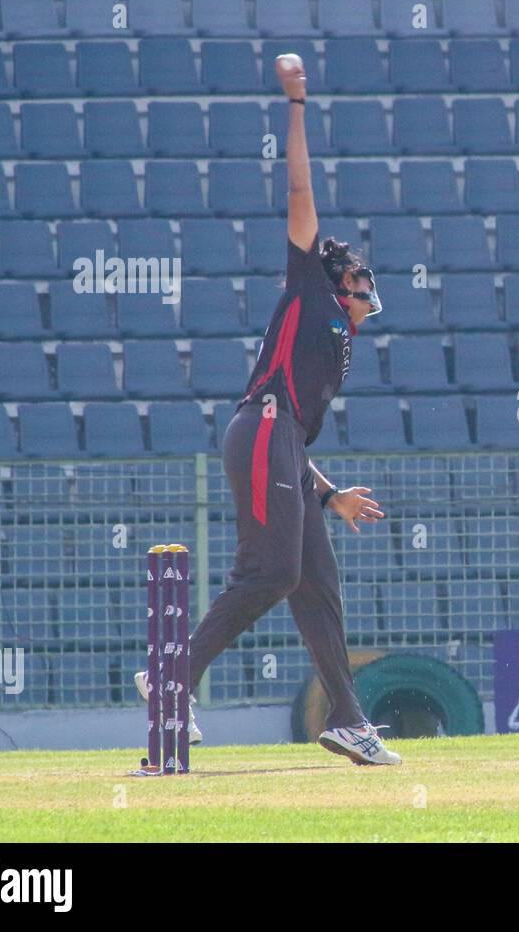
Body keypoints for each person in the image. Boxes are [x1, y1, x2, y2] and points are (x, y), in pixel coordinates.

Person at [135, 54, 400, 766]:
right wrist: (298, 101)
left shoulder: (341, 340)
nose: (367, 287)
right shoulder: (310, 287)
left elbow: (295, 440)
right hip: (260, 430)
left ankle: (347, 718)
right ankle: (171, 679)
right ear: (337, 280)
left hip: (281, 444)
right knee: (273, 573)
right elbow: (300, 186)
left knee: (317, 583)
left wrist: (329, 494)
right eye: (359, 277)